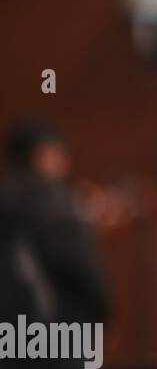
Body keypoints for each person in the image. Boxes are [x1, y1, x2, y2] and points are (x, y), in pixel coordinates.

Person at [0, 120, 110, 329]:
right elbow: (80, 265)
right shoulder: (51, 201)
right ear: (41, 153)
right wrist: (103, 310)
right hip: (56, 331)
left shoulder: (6, 199)